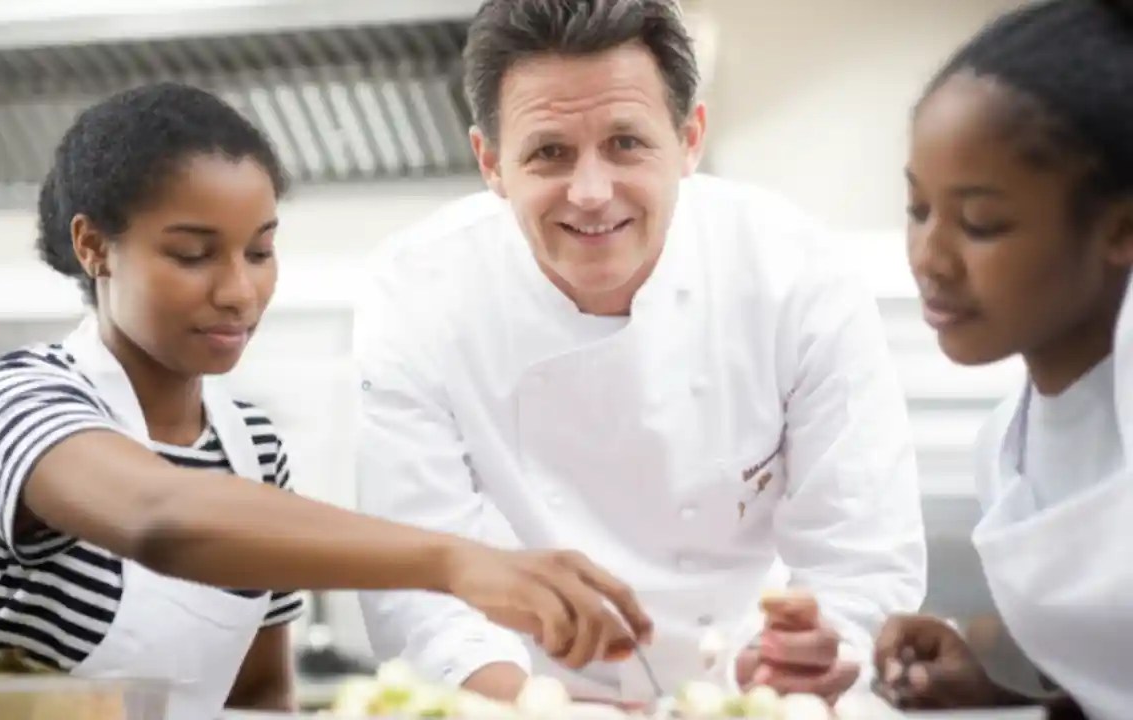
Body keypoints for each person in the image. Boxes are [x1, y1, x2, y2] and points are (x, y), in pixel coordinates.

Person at [0, 82, 653, 720]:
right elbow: (159, 518)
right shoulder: (9, 400)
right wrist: (459, 563)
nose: (240, 291)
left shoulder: (252, 449)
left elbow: (259, 697)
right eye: (193, 253)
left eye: (260, 251)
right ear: (94, 246)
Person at [353, 0, 925, 706]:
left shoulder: (793, 273)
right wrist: (534, 706)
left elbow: (863, 554)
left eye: (626, 143)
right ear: (491, 163)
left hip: (751, 695)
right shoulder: (417, 293)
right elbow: (420, 587)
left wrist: (815, 651)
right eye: (549, 152)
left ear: (690, 139)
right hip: (521, 698)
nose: (591, 194)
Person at [872, 1, 1133, 718]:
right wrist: (1002, 680)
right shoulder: (1005, 451)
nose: (930, 259)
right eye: (919, 210)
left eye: (981, 223)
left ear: (1121, 228)